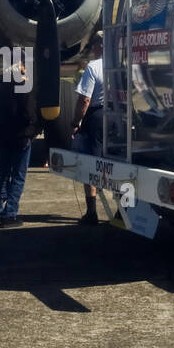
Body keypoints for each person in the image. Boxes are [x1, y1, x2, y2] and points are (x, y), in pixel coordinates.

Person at [0, 55, 39, 227]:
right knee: (18, 176)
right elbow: (29, 113)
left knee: (3, 174)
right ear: (21, 64)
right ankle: (10, 214)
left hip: (1, 135)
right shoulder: (25, 84)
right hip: (20, 136)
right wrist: (34, 132)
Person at [70, 31, 105, 224]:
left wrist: (75, 122)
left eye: (92, 46)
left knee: (89, 165)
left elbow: (84, 99)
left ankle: (92, 211)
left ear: (98, 47)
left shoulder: (93, 67)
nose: (90, 50)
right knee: (121, 164)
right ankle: (122, 210)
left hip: (96, 117)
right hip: (118, 117)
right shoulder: (121, 65)